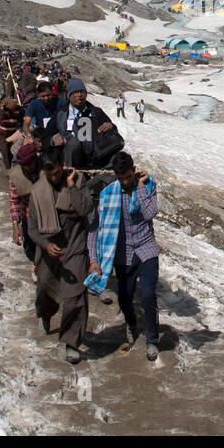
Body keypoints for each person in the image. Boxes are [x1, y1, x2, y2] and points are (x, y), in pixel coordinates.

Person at [87, 152, 160, 361]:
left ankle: (152, 340)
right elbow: (95, 228)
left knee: (147, 295)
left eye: (128, 176)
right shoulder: (109, 195)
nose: (126, 182)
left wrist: (140, 187)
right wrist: (94, 259)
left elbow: (149, 213)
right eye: (121, 179)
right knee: (125, 297)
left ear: (133, 171)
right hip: (122, 254)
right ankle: (131, 323)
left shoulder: (147, 185)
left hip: (146, 248)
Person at [29, 154, 96, 363]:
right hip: (49, 249)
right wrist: (45, 244)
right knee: (45, 289)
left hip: (74, 247)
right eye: (51, 175)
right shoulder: (37, 192)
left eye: (58, 173)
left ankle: (71, 342)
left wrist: (71, 187)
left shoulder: (77, 182)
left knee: (75, 296)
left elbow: (85, 208)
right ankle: (45, 315)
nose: (54, 177)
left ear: (62, 167)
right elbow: (32, 228)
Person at [53, 78, 121, 169]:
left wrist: (111, 126)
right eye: (75, 92)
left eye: (82, 92)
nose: (80, 95)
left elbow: (111, 129)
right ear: (69, 96)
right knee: (74, 143)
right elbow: (47, 135)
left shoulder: (96, 111)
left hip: (97, 154)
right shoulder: (61, 114)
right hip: (71, 157)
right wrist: (53, 137)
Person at [7, 140, 41, 267]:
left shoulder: (46, 169)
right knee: (29, 247)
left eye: (30, 163)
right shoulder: (16, 175)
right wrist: (15, 225)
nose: (28, 167)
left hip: (48, 217)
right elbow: (14, 201)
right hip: (29, 218)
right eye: (24, 165)